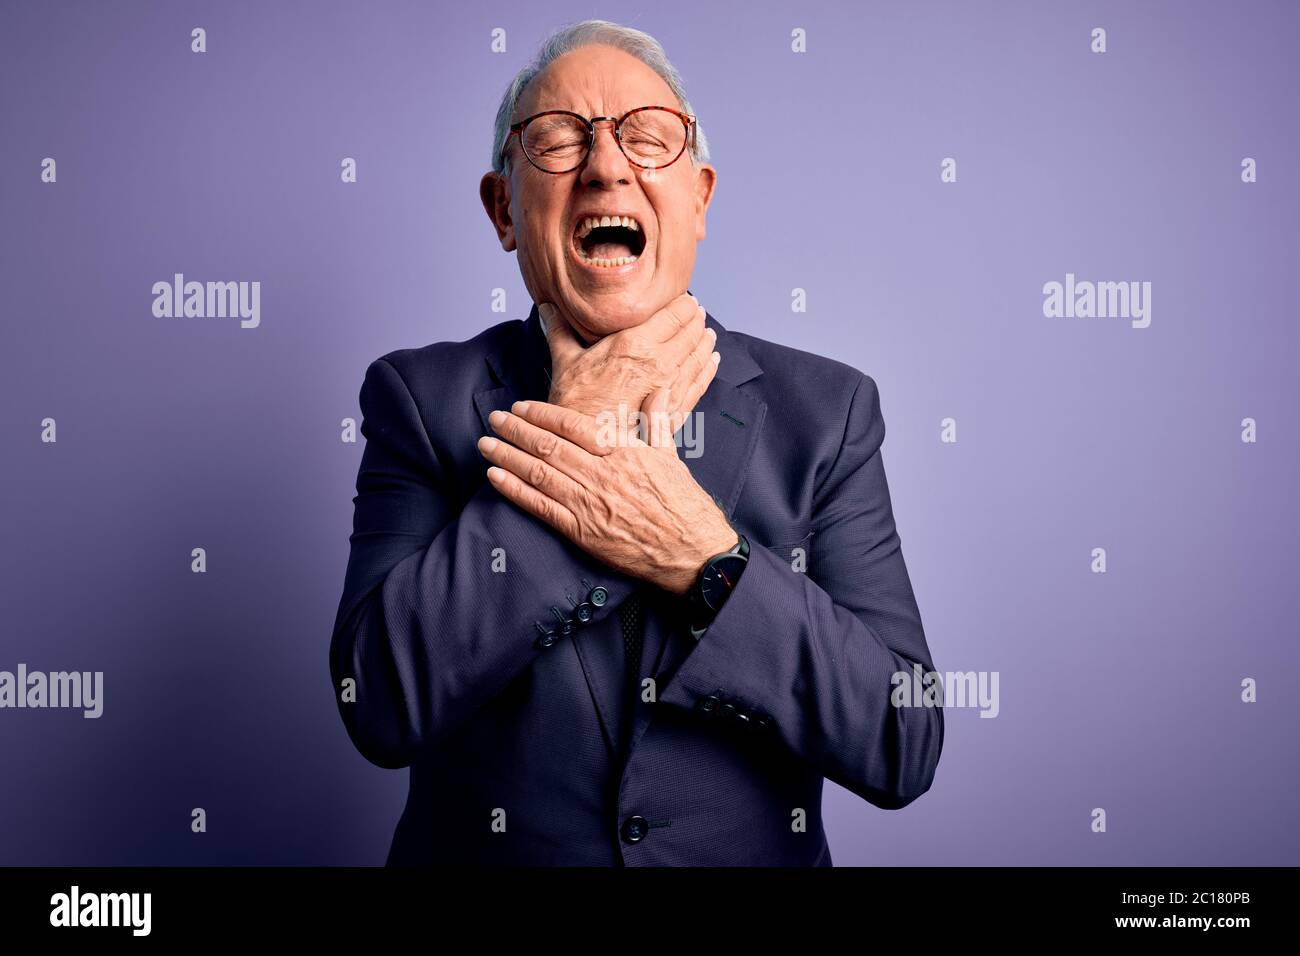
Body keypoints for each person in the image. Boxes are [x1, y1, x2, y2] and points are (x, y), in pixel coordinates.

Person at [329, 19, 942, 866]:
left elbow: (902, 735)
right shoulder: (419, 400)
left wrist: (708, 564)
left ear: (699, 200)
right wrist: (583, 438)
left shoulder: (828, 412)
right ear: (504, 209)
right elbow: (379, 701)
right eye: (555, 142)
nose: (606, 166)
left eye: (647, 138)